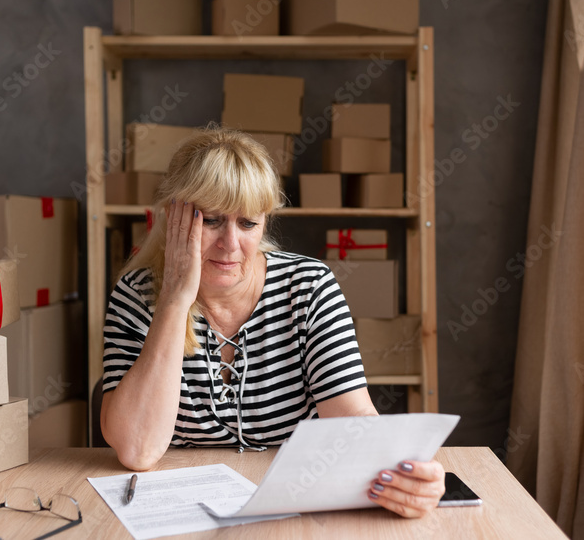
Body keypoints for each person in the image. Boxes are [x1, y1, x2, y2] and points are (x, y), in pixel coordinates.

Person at [100, 128, 444, 518]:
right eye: (211, 220)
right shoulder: (137, 295)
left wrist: (405, 473)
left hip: (294, 503)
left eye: (248, 223)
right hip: (179, 512)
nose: (230, 244)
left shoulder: (309, 287)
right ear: (173, 217)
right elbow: (138, 451)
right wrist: (175, 300)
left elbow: (353, 420)